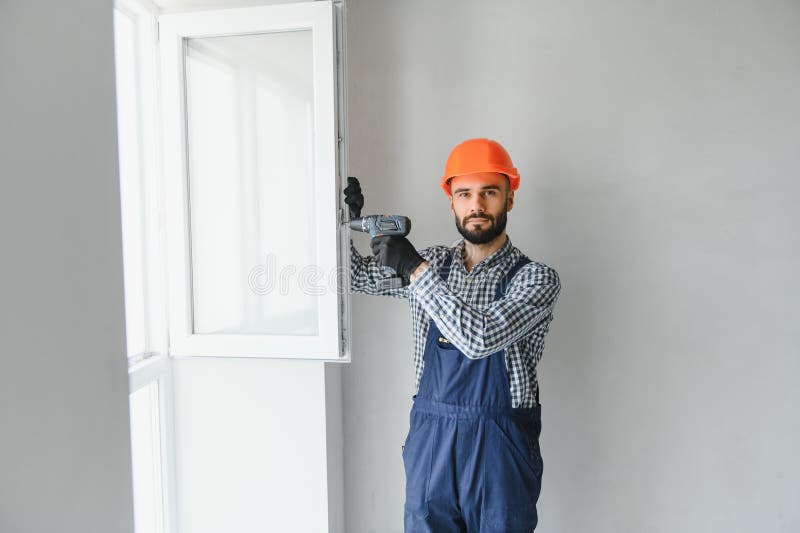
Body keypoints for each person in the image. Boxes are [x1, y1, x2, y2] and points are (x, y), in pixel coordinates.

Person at [345, 138, 562, 533]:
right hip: (432, 442)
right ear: (452, 203)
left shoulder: (535, 278)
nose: (476, 206)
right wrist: (341, 221)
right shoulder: (436, 265)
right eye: (465, 194)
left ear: (509, 199)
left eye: (489, 193)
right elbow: (355, 276)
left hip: (500, 450)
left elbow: (478, 339)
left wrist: (413, 269)